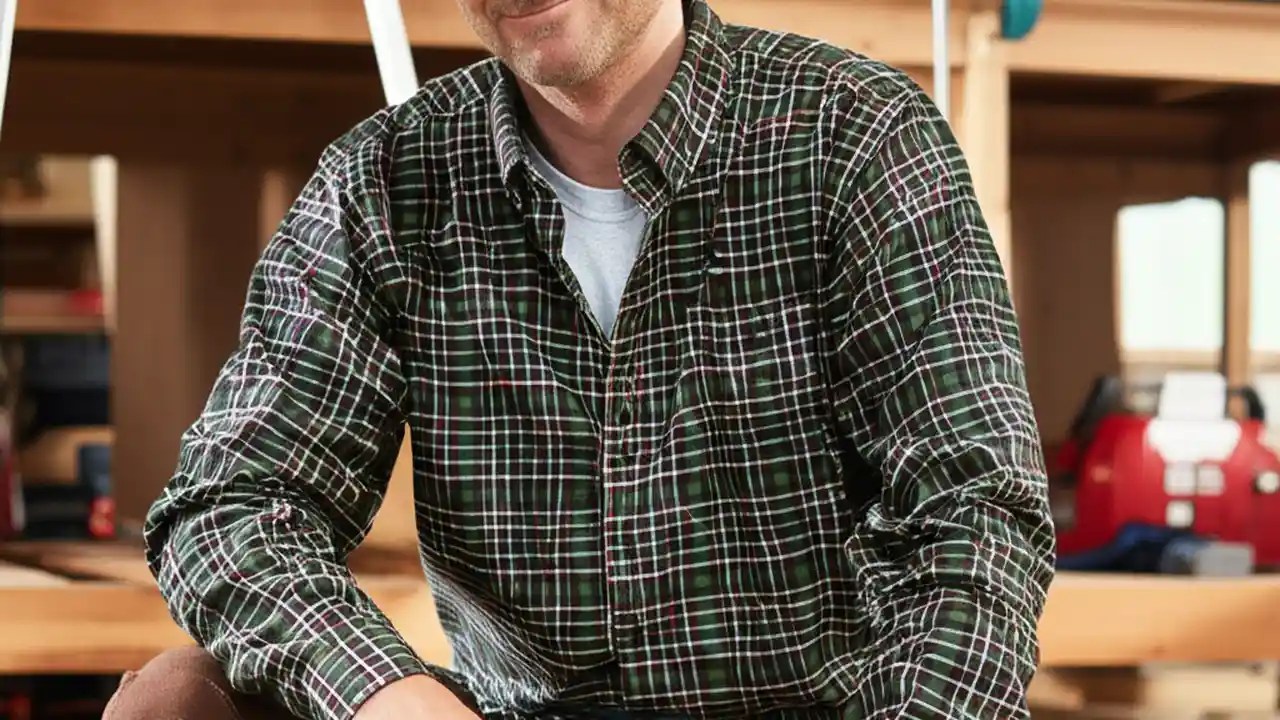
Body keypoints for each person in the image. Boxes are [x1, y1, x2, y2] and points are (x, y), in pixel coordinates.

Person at [104, 0, 1056, 718]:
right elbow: (230, 505)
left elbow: (977, 517)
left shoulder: (858, 139)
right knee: (173, 698)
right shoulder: (384, 184)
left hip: (815, 705)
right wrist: (384, 694)